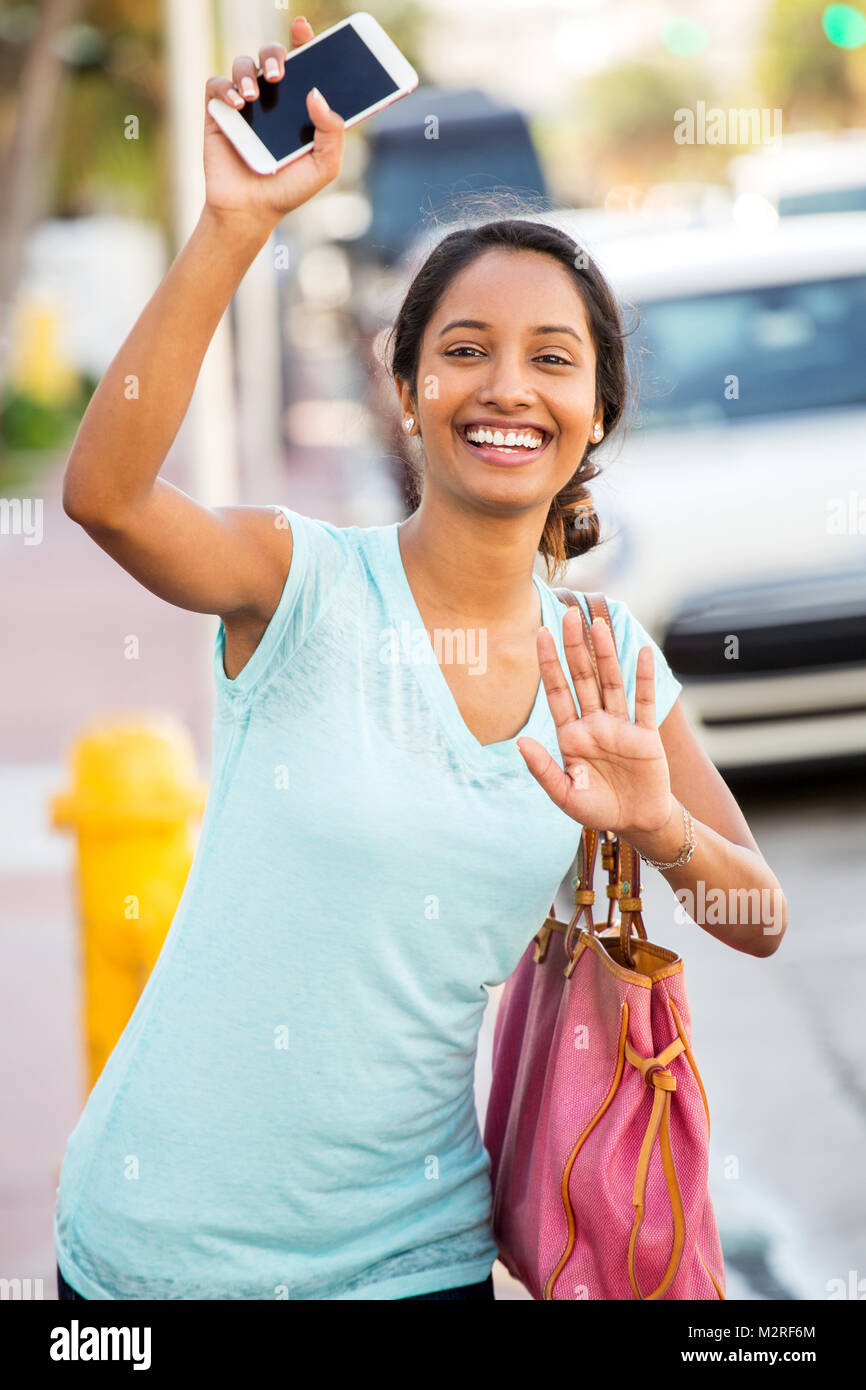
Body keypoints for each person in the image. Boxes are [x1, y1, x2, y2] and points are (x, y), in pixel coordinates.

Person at [54, 19, 788, 1302]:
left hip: (416, 1261)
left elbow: (755, 918)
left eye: (551, 359)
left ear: (596, 410)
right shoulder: (300, 583)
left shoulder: (606, 663)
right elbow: (108, 497)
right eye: (462, 350)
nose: (506, 386)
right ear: (405, 390)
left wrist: (660, 826)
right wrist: (235, 223)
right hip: (152, 1255)